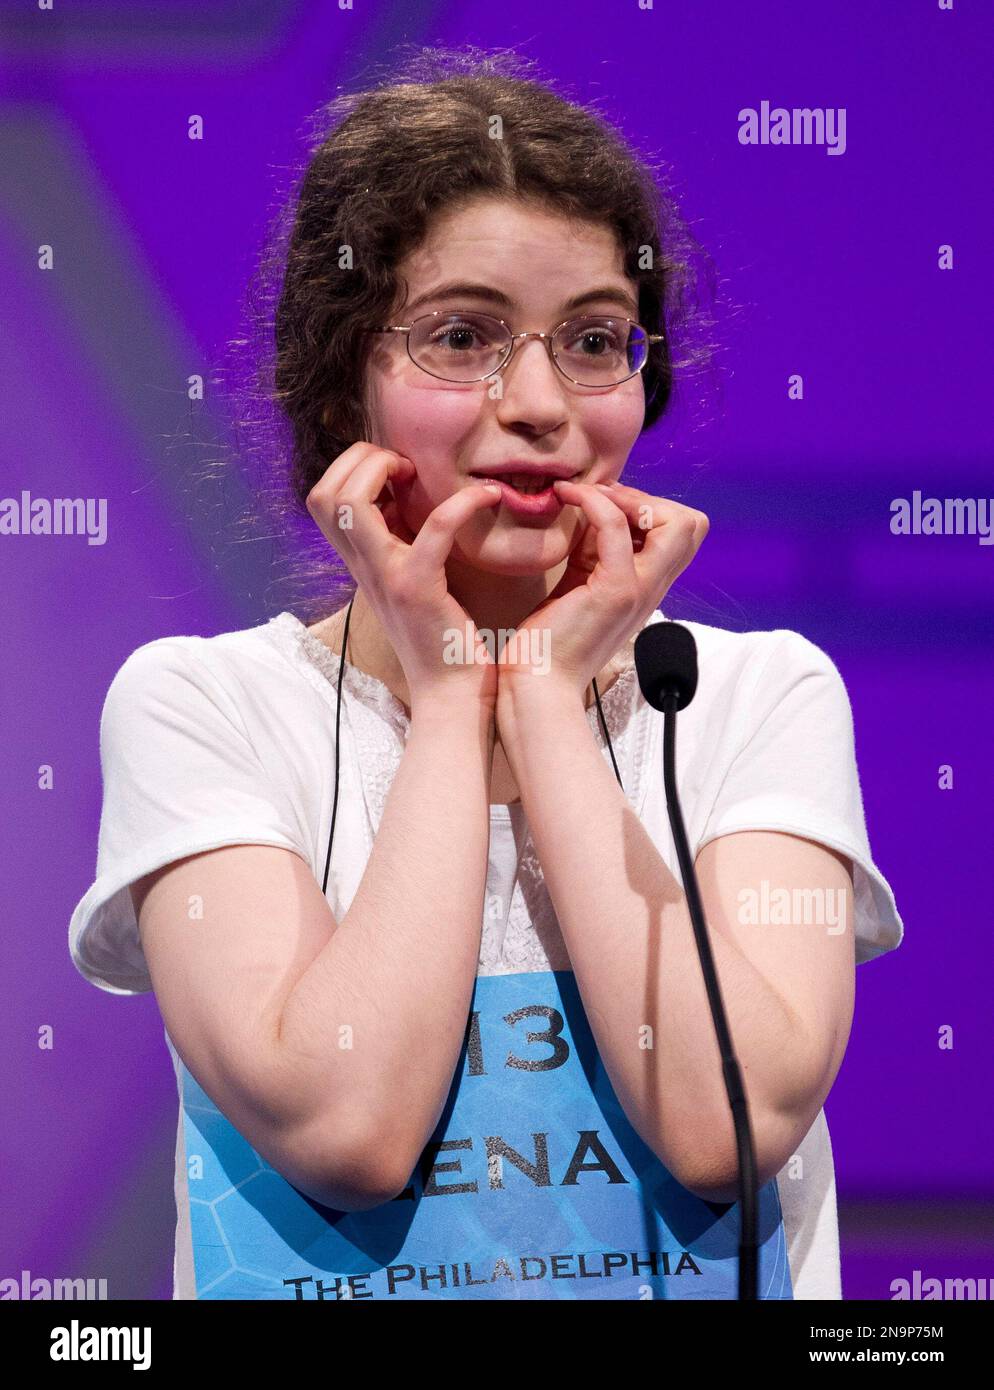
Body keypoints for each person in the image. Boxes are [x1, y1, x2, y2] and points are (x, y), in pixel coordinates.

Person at [68, 48, 903, 1301]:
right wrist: (455, 692)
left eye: (593, 341)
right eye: (462, 336)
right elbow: (346, 1129)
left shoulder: (750, 697)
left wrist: (550, 704)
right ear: (343, 375)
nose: (538, 404)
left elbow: (722, 1129)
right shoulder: (205, 706)